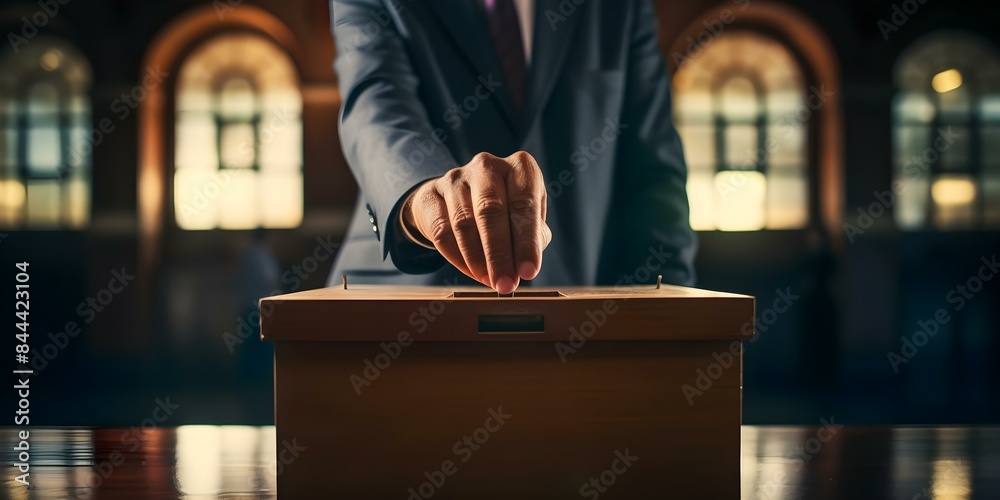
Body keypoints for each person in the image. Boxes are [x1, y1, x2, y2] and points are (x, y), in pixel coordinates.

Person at [327, 0, 696, 293]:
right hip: (399, 306)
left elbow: (653, 171)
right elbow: (375, 105)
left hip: (583, 312)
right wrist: (422, 194)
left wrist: (674, 312)